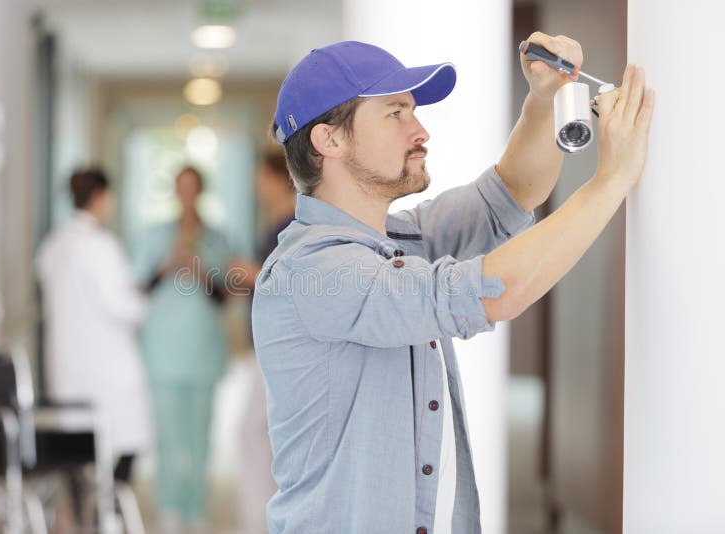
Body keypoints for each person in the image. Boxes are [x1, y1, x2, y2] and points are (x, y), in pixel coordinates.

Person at [251, 36, 654, 533]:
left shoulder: (401, 240)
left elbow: (510, 193)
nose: (420, 130)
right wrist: (610, 180)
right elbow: (494, 290)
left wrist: (543, 98)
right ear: (328, 140)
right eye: (395, 114)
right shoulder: (313, 270)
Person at [36, 168, 152, 493]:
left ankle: (82, 514)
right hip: (108, 367)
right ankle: (108, 513)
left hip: (67, 364)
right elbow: (123, 307)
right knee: (126, 441)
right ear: (100, 197)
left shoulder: (52, 245)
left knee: (78, 449)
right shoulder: (102, 246)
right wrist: (143, 297)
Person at [132, 165, 231, 532]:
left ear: (201, 191)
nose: (186, 195)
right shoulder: (155, 235)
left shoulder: (217, 239)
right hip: (163, 353)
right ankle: (170, 506)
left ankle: (196, 507)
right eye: (181, 188)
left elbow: (226, 297)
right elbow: (138, 288)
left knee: (200, 437)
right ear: (174, 192)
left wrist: (201, 271)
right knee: (168, 437)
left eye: (192, 188)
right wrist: (166, 265)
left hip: (203, 352)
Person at [231, 152, 295, 533]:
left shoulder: (292, 226)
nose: (257, 187)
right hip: (266, 342)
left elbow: (289, 280)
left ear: (279, 179)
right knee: (257, 432)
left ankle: (261, 520)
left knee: (253, 432)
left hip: (278, 346)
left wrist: (253, 273)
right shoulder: (274, 225)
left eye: (261, 178)